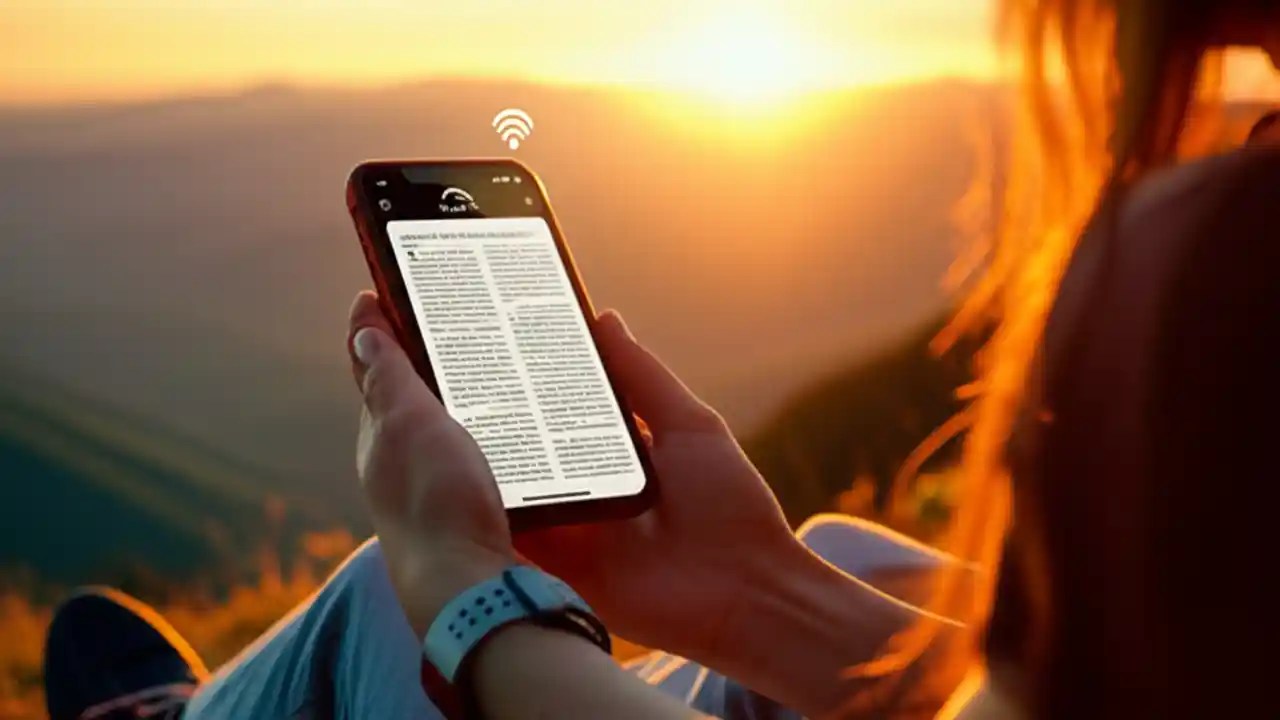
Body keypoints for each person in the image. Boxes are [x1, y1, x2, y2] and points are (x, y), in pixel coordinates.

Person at [43, 0, 1280, 717]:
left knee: (382, 608)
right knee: (837, 551)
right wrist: (753, 588)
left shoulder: (1211, 264)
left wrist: (465, 596)